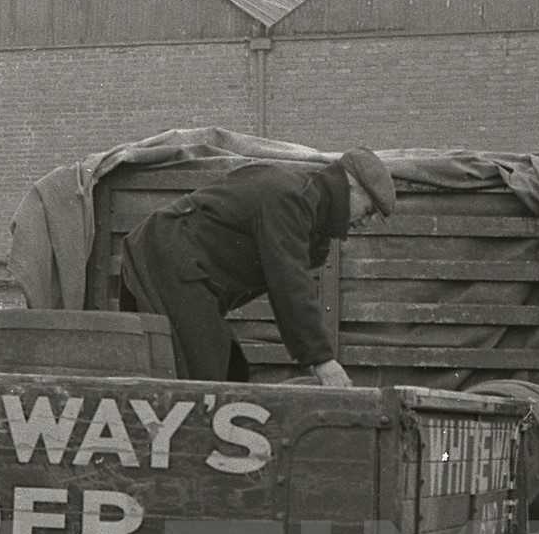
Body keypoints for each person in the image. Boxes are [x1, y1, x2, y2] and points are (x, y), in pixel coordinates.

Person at [119, 149, 397, 385]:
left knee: (230, 370)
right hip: (164, 257)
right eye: (369, 210)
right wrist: (322, 360)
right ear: (349, 186)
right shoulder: (292, 198)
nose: (365, 222)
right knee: (204, 375)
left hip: (184, 270)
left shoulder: (310, 213)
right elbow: (290, 283)